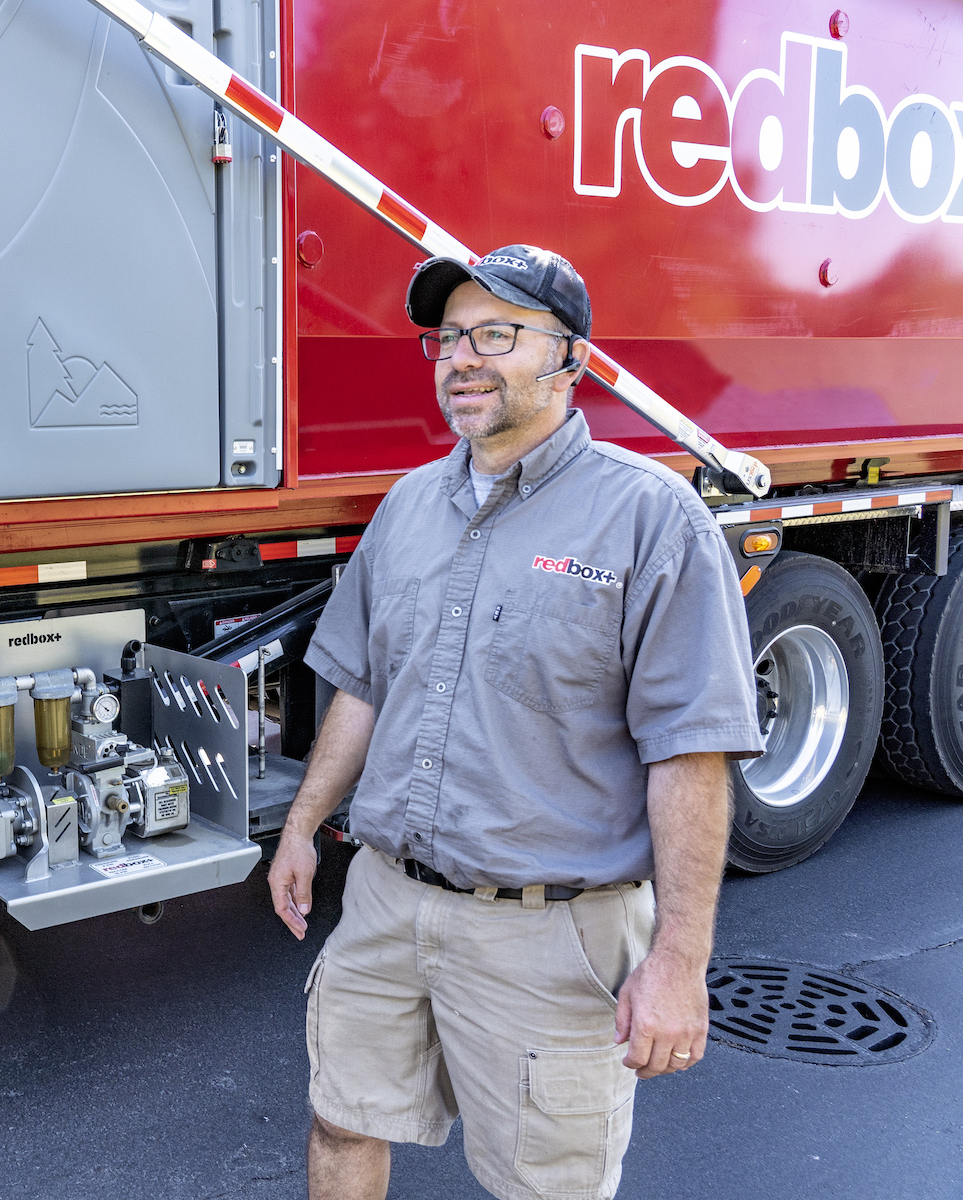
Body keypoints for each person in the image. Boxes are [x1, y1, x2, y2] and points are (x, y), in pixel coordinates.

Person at [266, 245, 763, 1200]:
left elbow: (690, 750)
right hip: (384, 901)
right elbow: (364, 687)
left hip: (551, 934)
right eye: (449, 338)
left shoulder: (651, 520)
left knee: (547, 1186)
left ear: (570, 358)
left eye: (497, 334)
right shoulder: (408, 506)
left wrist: (680, 961)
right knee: (341, 1119)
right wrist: (299, 827)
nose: (462, 358)